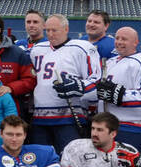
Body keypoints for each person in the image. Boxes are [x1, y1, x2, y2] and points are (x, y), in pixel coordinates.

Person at [29, 15, 101, 149]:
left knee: (69, 158)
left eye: (54, 30)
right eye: (47, 30)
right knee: (41, 159)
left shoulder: (82, 48)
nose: (50, 34)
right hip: (40, 117)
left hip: (70, 116)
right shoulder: (37, 50)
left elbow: (96, 80)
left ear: (66, 29)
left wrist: (79, 86)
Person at [94, 26, 141, 151]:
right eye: (117, 38)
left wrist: (119, 95)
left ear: (135, 42)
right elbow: (97, 91)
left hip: (132, 128)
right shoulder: (110, 62)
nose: (119, 42)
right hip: (106, 127)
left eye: (124, 39)